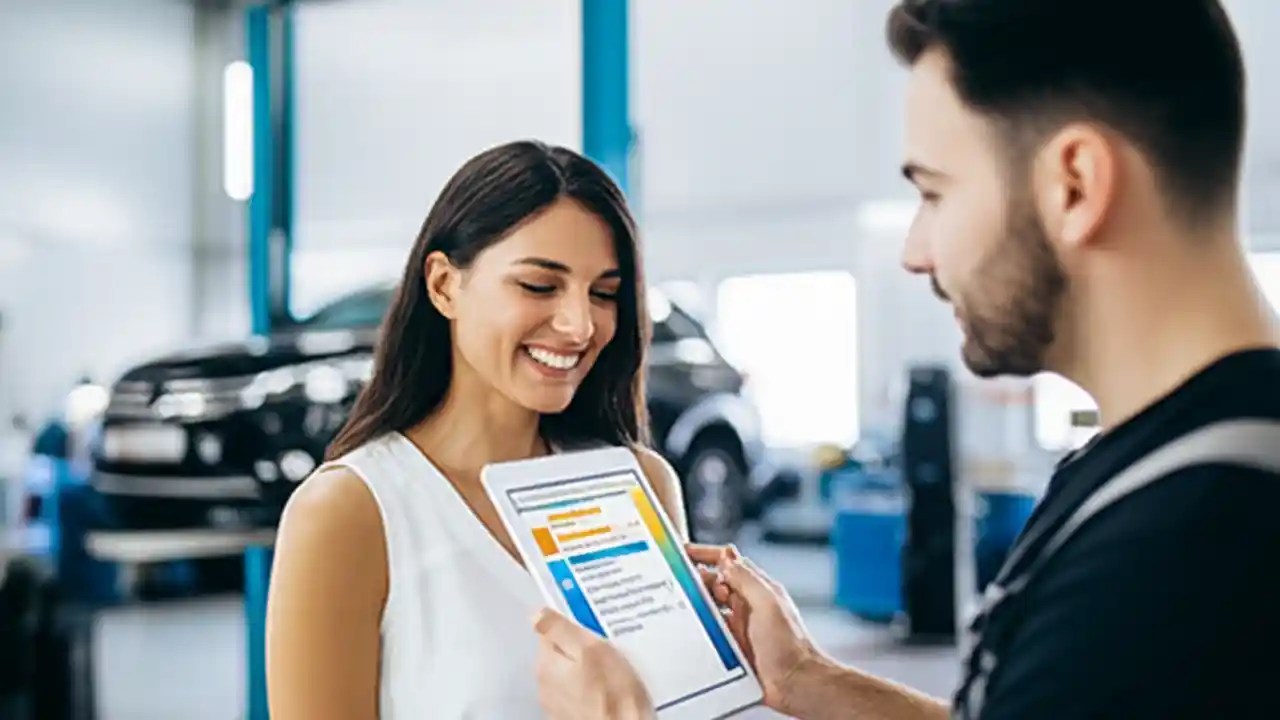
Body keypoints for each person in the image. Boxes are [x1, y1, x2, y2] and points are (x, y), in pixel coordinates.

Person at [530, 1, 1280, 718]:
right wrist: (810, 682)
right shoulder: (1150, 473)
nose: (917, 252)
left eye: (936, 194)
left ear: (1075, 185)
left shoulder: (1191, 548)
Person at [265, 140, 688, 719]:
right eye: (539, 286)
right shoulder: (351, 512)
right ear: (444, 285)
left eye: (604, 294)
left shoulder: (639, 485)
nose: (579, 324)